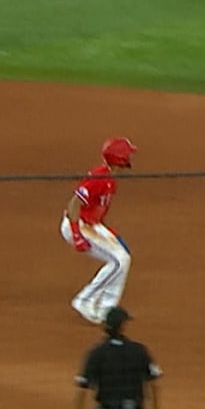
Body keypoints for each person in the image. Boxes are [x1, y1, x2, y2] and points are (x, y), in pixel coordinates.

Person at [61, 137, 137, 324]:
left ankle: (107, 308)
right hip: (79, 225)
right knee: (118, 261)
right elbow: (74, 205)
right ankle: (84, 300)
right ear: (120, 159)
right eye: (127, 154)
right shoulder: (99, 177)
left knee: (124, 258)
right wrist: (77, 235)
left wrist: (112, 235)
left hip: (92, 225)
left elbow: (96, 215)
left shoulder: (110, 179)